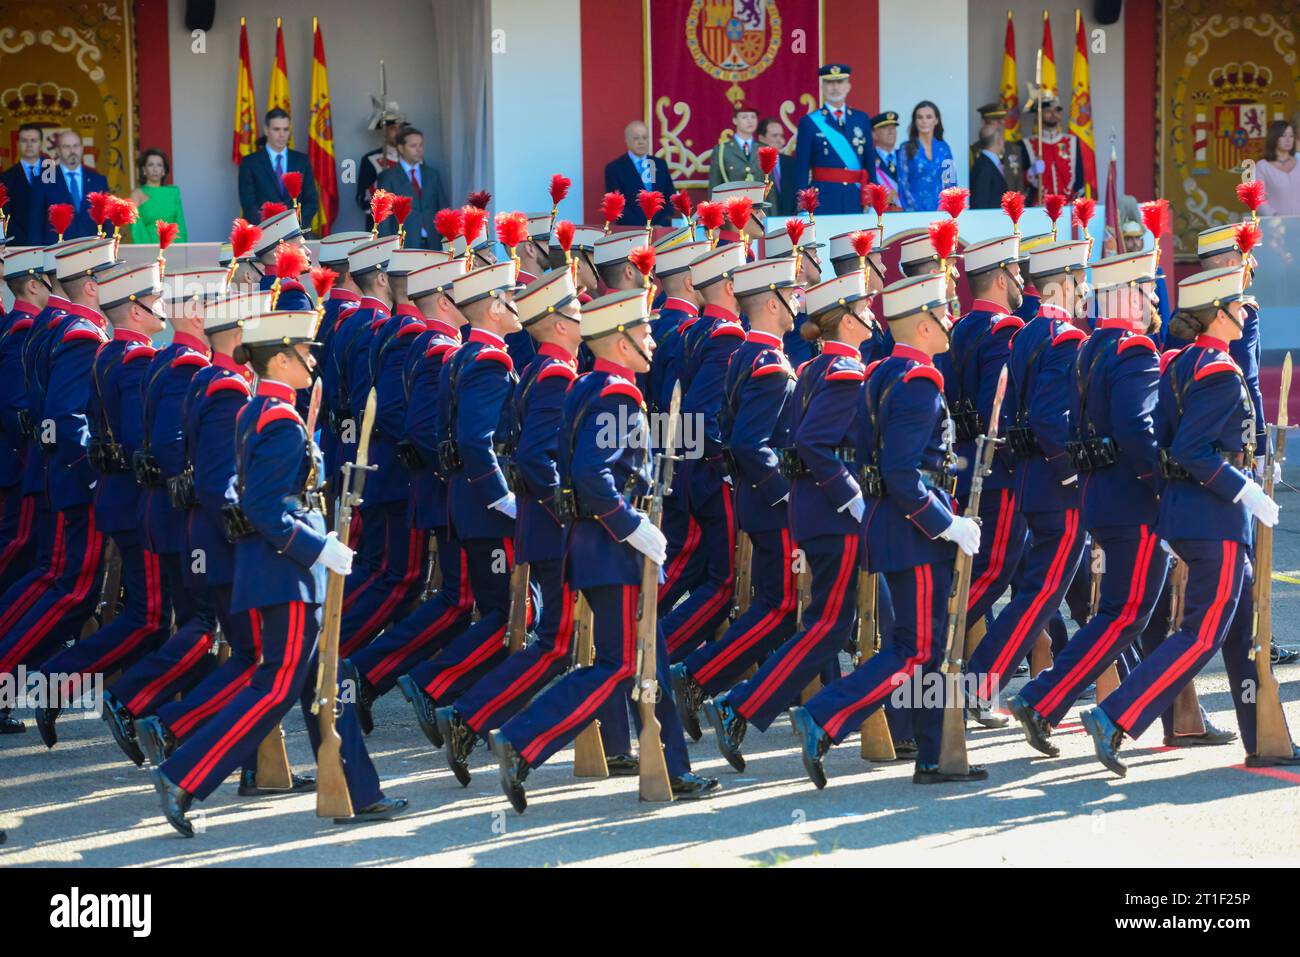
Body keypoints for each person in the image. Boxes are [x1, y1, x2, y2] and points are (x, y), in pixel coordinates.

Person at [148, 307, 407, 836]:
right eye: (305, 353)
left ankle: (359, 791)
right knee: (275, 687)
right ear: (282, 358)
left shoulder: (259, 410)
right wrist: (319, 549)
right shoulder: (278, 420)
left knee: (326, 686)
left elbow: (267, 498)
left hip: (284, 570)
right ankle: (182, 775)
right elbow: (266, 507)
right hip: (285, 573)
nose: (313, 360)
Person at [489, 289, 719, 812]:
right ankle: (522, 739)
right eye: (644, 333)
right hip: (612, 549)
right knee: (619, 666)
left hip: (603, 548)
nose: (653, 341)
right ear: (621, 340)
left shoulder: (590, 385)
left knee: (651, 662)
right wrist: (632, 524)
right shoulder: (616, 393)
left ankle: (675, 769)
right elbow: (594, 474)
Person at [1082, 265, 1299, 775]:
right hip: (1214, 519)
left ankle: (1265, 736)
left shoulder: (1183, 363)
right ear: (1217, 314)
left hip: (1193, 514)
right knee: (1202, 635)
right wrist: (1244, 489)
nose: (1247, 312)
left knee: (1246, 635)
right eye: (1239, 305)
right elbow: (1192, 449)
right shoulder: (1219, 372)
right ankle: (1113, 715)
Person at [790, 270, 988, 788]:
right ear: (922, 324)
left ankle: (934, 755)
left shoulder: (880, 373)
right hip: (914, 530)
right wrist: (947, 526)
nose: (950, 320)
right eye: (943, 312)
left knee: (927, 644)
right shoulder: (918, 383)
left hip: (894, 524)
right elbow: (902, 472)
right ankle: (824, 716)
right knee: (918, 648)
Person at [702, 270, 874, 772]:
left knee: (825, 623)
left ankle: (753, 706)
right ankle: (743, 705)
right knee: (826, 624)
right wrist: (852, 498)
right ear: (846, 318)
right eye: (863, 307)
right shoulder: (833, 371)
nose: (871, 314)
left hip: (808, 509)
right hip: (828, 513)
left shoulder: (814, 367)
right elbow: (806, 447)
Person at [1006, 248, 1169, 754]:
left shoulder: (1092, 346)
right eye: (1148, 289)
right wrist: (1161, 483)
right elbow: (1137, 430)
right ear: (1131, 294)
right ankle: (1077, 705)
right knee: (1127, 612)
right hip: (1132, 497)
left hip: (1100, 495)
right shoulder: (1134, 350)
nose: (1155, 298)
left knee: (1115, 612)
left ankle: (1043, 698)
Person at [30, 261, 170, 749]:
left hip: (125, 501)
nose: (165, 307)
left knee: (157, 615)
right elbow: (139, 439)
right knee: (151, 616)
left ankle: (141, 706)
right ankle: (86, 691)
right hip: (137, 502)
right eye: (156, 298)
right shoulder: (133, 360)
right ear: (135, 308)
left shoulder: (116, 352)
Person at [670, 257, 801, 738]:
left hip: (752, 499)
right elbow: (747, 442)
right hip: (769, 504)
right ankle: (700, 679)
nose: (800, 299)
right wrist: (786, 498)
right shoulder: (765, 361)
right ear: (772, 302)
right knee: (782, 605)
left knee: (776, 604)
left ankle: (702, 680)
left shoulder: (748, 352)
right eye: (793, 291)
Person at [965, 239, 1090, 711]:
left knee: (1045, 591)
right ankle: (979, 683)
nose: (1086, 289)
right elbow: (1046, 419)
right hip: (1057, 488)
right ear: (1065, 283)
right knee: (1039, 595)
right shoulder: (1064, 338)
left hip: (1028, 481)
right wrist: (1071, 477)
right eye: (1080, 280)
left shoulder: (1028, 333)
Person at [0, 239, 116, 683]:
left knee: (52, 580)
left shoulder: (52, 325)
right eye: (107, 278)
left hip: (52, 472)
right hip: (71, 476)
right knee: (73, 589)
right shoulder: (79, 335)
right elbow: (66, 420)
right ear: (90, 285)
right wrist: (94, 477)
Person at [793, 63, 875, 214]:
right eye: (830, 82)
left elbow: (869, 162)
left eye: (840, 82)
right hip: (823, 198)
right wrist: (803, 204)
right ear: (822, 87)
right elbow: (802, 167)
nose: (835, 87)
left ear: (848, 86)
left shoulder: (861, 119)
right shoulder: (809, 122)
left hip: (854, 198)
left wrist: (874, 200)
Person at [237, 109, 320, 230]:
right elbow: (249, 204)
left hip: (295, 234)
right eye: (276, 129)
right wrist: (272, 229)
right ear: (266, 130)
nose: (282, 134)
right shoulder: (250, 162)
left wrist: (293, 226)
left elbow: (311, 201)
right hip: (264, 236)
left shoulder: (302, 161)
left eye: (285, 129)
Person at [27, 131, 110, 244]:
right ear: (57, 151)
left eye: (76, 146)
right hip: (56, 254)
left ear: (82, 148)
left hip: (92, 252)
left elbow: (107, 222)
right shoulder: (43, 180)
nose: (72, 151)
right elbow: (35, 223)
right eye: (67, 147)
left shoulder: (98, 181)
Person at [376, 127, 448, 249]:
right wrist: (387, 247)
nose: (419, 149)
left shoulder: (432, 174)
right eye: (413, 146)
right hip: (404, 243)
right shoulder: (388, 177)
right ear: (400, 148)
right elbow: (384, 217)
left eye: (421, 145)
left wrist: (447, 238)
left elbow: (443, 208)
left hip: (433, 242)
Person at [604, 121, 675, 228]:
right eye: (636, 138)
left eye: (644, 138)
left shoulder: (660, 164)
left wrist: (660, 223)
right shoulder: (614, 168)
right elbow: (617, 204)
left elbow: (670, 197)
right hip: (630, 231)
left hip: (660, 229)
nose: (641, 142)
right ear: (626, 140)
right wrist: (640, 226)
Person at [896, 101, 956, 212]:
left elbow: (951, 182)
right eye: (919, 117)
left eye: (928, 117)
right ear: (915, 121)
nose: (924, 121)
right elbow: (903, 184)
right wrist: (915, 211)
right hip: (914, 214)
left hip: (941, 213)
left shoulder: (944, 148)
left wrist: (945, 208)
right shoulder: (905, 148)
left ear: (936, 120)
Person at [1022, 93, 1083, 201]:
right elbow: (1018, 180)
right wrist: (1031, 172)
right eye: (1048, 111)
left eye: (1056, 110)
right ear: (1038, 115)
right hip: (1039, 207)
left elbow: (1080, 177)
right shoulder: (1027, 144)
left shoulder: (1072, 141)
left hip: (1068, 206)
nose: (1053, 114)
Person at [357, 103, 406, 226]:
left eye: (400, 128)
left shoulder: (414, 160)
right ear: (384, 131)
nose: (398, 132)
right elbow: (362, 200)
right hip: (382, 226)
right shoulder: (371, 159)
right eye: (393, 128)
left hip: (409, 227)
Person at [2, 124, 48, 245]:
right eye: (24, 140)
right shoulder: (5, 178)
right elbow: (4, 216)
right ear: (17, 144)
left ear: (41, 143)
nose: (29, 144)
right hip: (17, 248)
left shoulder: (56, 175)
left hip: (50, 246)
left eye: (33, 140)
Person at [130, 148, 188, 244]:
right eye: (150, 165)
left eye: (159, 165)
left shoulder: (173, 192)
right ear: (144, 170)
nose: (155, 169)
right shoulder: (137, 194)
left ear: (163, 171)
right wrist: (148, 251)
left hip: (175, 247)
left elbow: (180, 223)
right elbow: (137, 229)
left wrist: (181, 249)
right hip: (149, 249)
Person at [709, 101, 763, 189]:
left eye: (753, 117)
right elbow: (715, 185)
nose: (750, 121)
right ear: (735, 120)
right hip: (732, 201)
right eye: (744, 117)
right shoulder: (722, 150)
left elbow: (770, 188)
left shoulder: (764, 149)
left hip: (759, 202)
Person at [1257, 121, 1300, 217]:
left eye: (1291, 136)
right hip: (1276, 227)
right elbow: (1258, 199)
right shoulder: (1262, 166)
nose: (1288, 139)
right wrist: (1275, 217)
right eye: (1283, 136)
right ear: (1274, 138)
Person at [757, 116, 795, 217]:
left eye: (781, 136)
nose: (780, 141)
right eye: (775, 136)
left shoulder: (791, 163)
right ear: (761, 138)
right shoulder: (754, 163)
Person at [970, 124, 1009, 209]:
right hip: (990, 220)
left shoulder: (986, 163)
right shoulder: (984, 167)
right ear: (998, 140)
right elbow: (980, 203)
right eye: (1002, 138)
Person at [871, 111, 901, 208]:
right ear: (874, 134)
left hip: (905, 214)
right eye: (885, 128)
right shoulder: (869, 158)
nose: (891, 131)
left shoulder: (905, 156)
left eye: (893, 128)